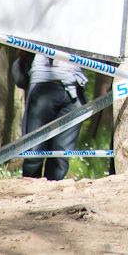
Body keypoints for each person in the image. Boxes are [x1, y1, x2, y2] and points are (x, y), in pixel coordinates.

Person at [19, 51, 87, 180]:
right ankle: (29, 192)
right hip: (43, 84)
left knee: (61, 155)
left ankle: (53, 193)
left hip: (74, 88)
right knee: (34, 153)